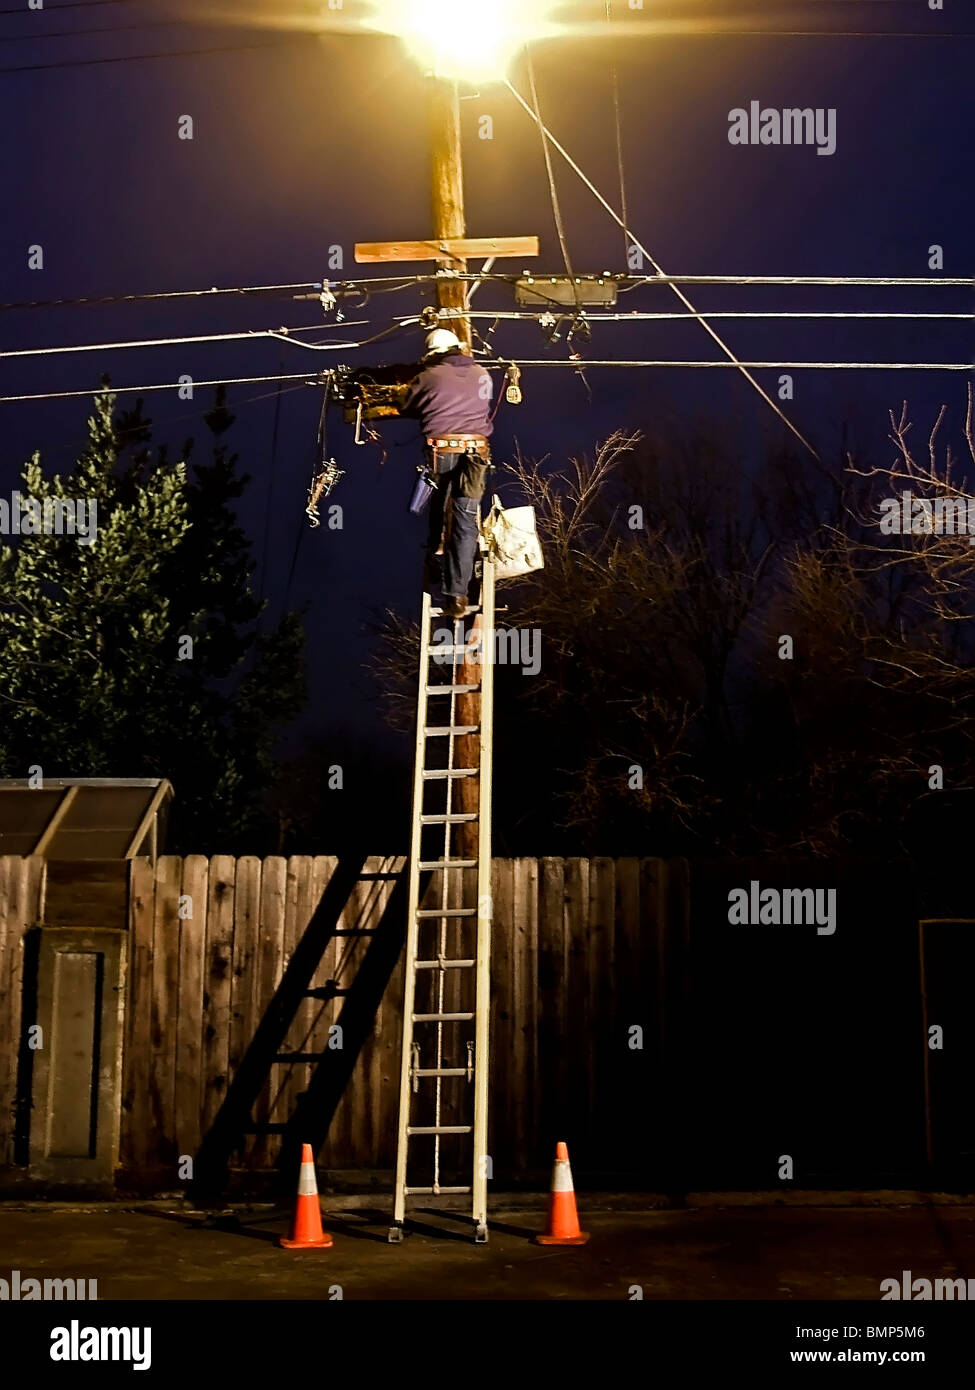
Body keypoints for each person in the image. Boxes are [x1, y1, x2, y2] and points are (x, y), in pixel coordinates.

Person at [403, 328, 494, 619]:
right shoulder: (482, 373)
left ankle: (435, 550)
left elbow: (407, 404)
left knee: (439, 503)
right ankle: (457, 595)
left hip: (441, 450)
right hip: (476, 452)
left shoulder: (428, 376)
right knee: (466, 519)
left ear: (435, 354)